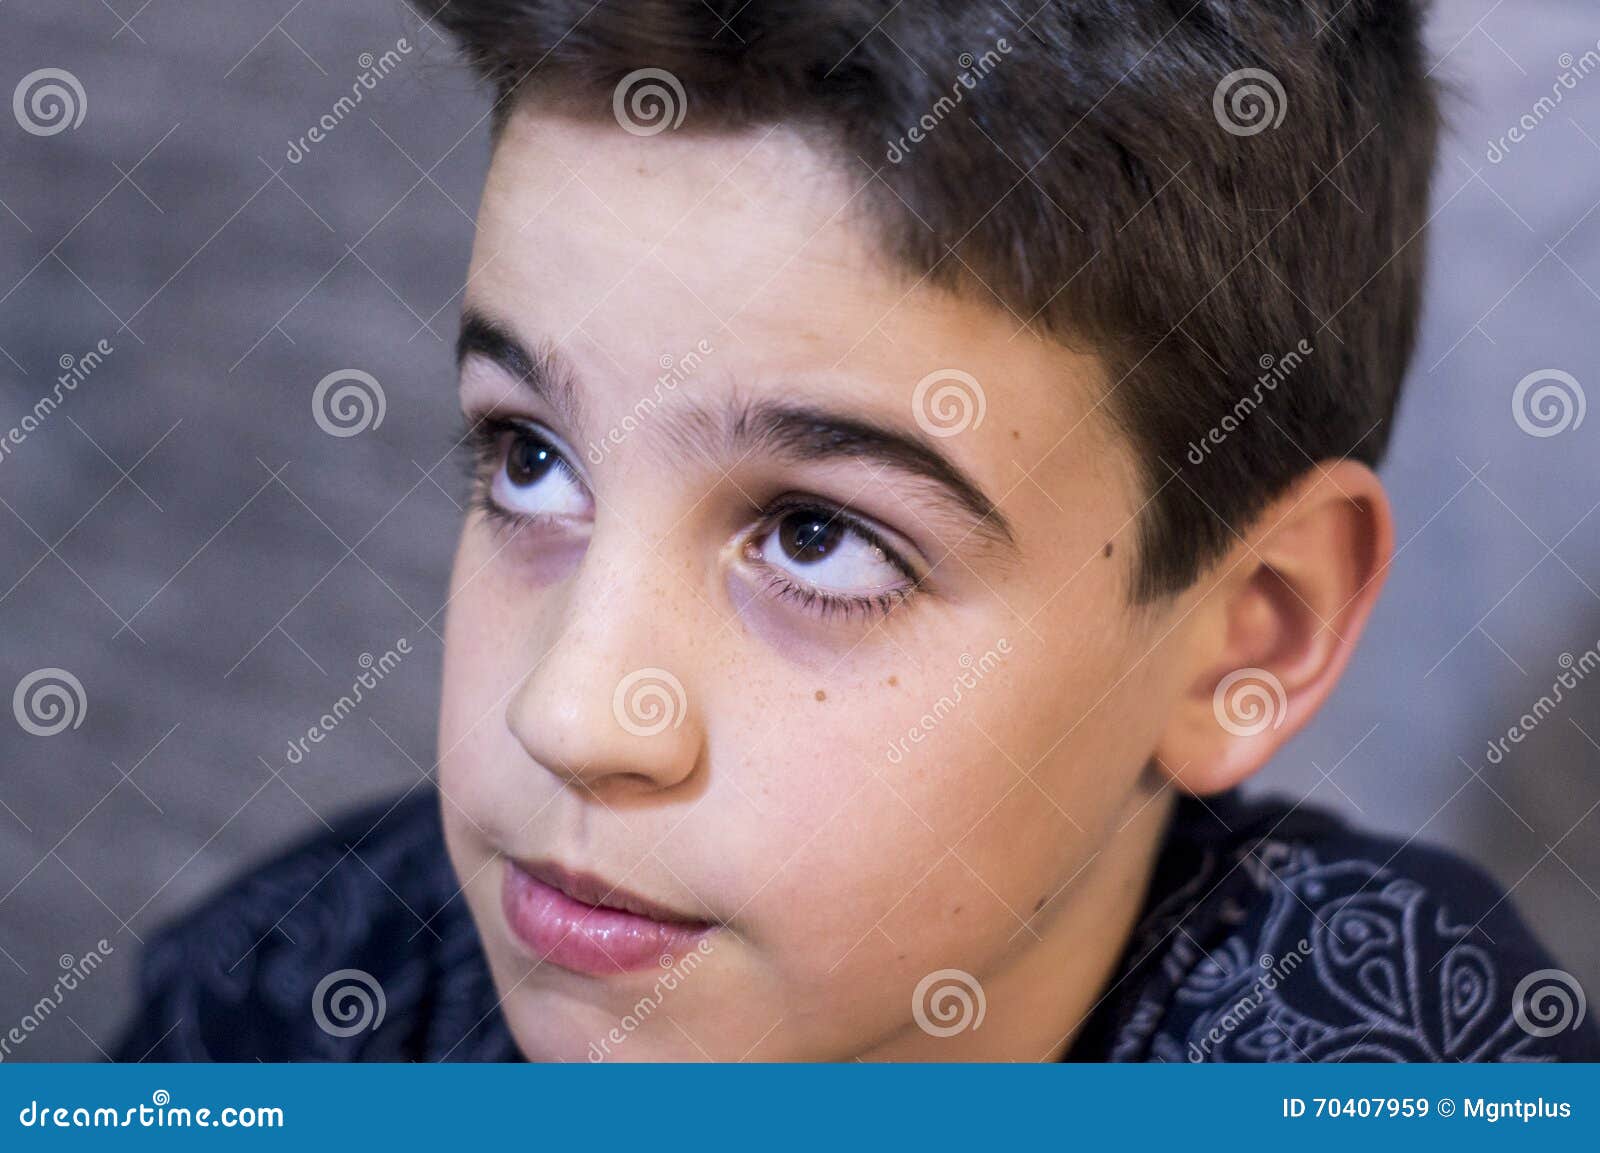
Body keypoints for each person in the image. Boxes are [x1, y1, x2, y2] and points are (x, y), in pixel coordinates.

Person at [117, 0, 1598, 1062]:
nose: (567, 711)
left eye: (820, 537)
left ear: (1245, 632)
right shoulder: (283, 1011)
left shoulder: (1401, 1057)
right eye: (531, 459)